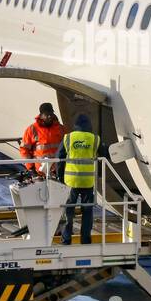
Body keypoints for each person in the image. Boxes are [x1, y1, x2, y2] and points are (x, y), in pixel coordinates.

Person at [60, 114, 98, 245]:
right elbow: (105, 152)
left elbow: (59, 158)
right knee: (87, 211)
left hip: (71, 181)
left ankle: (66, 239)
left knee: (68, 210)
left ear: (75, 125)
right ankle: (85, 240)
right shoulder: (94, 139)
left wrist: (60, 178)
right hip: (87, 182)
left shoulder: (69, 138)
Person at [20, 102, 65, 178]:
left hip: (57, 171)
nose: (50, 116)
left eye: (51, 113)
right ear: (41, 115)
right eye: (47, 114)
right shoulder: (32, 129)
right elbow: (24, 150)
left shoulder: (60, 128)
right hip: (39, 172)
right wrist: (31, 168)